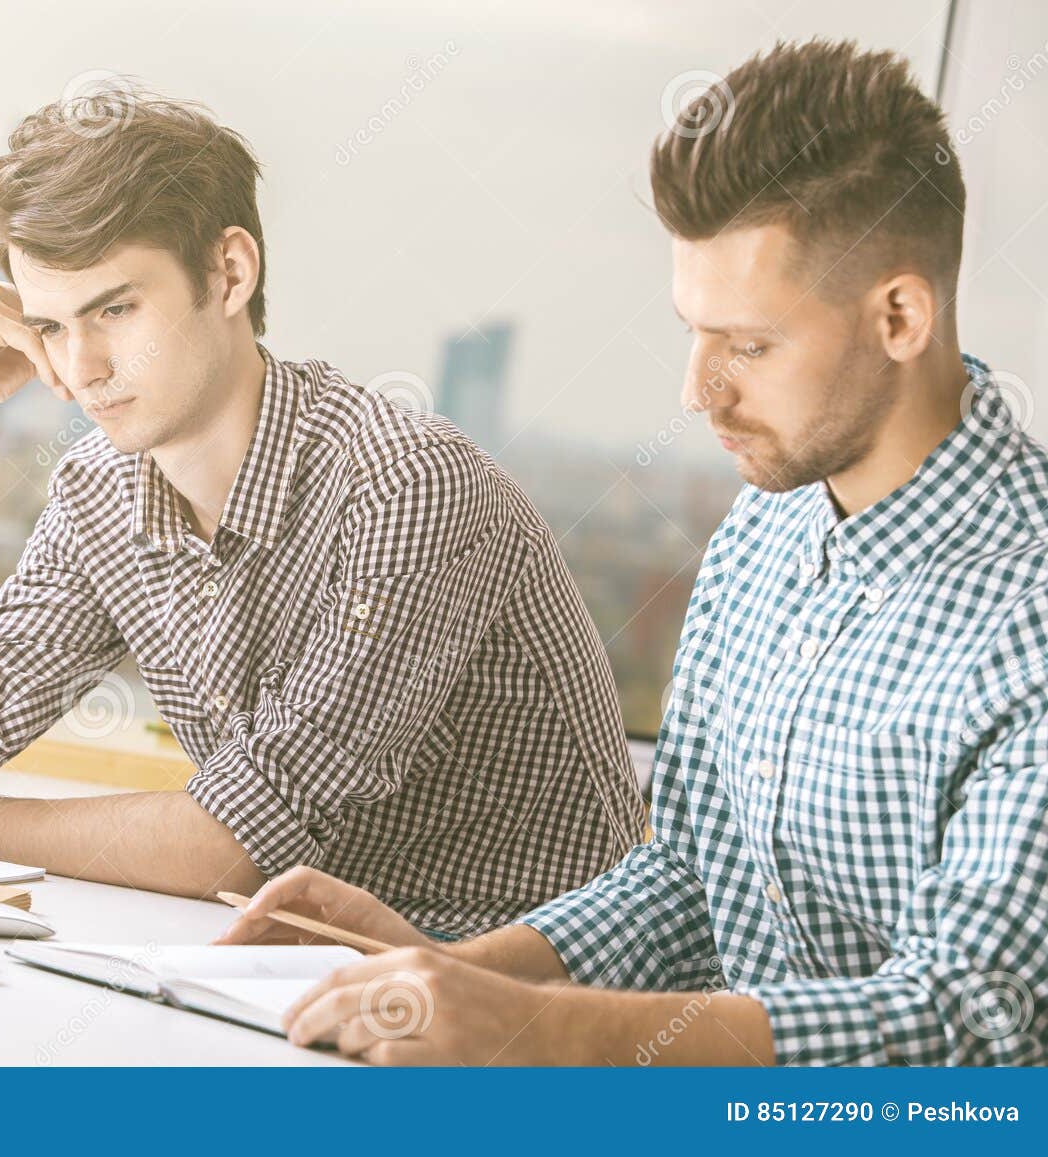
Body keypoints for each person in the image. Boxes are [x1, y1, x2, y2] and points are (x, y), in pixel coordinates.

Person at [221, 39, 1048, 1065]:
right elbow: (694, 880)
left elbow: (970, 1026)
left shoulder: (1031, 612)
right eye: (692, 333)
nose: (697, 390)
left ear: (899, 315)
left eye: (748, 345)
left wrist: (527, 1025)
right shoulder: (764, 530)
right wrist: (455, 971)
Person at [0, 88, 642, 935]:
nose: (82, 369)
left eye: (114, 309)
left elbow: (233, 842)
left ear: (228, 273)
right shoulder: (103, 490)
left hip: (523, 1001)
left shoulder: (405, 485)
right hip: (305, 967)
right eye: (52, 327)